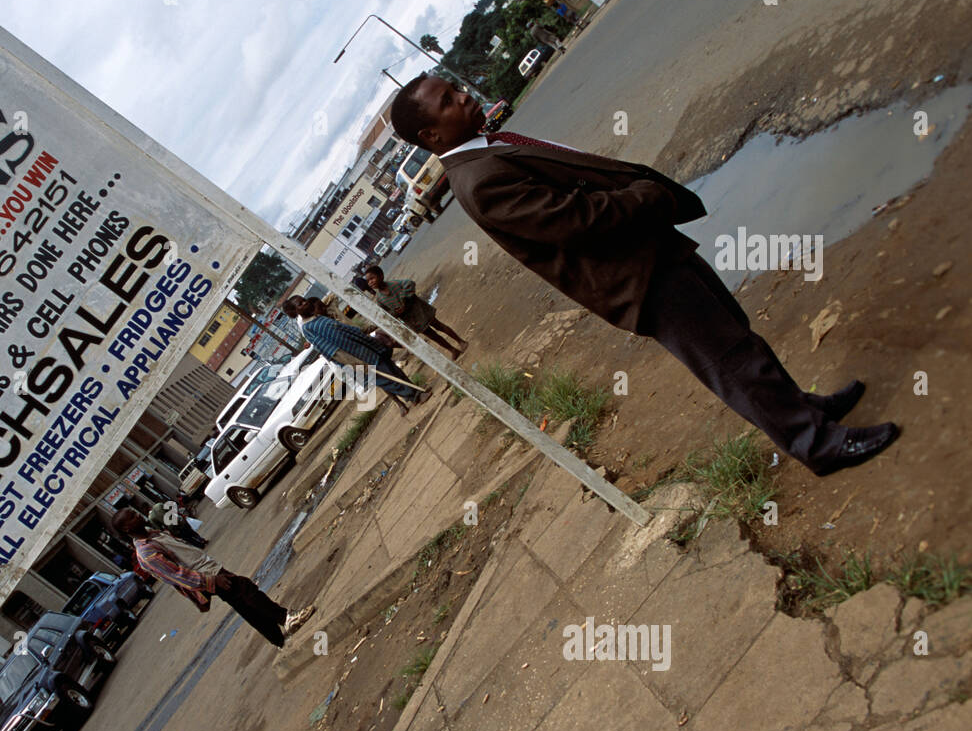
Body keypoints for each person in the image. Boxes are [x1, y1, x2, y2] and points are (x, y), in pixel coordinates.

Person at [388, 74, 899, 476]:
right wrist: (646, 196)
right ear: (431, 135)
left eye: (455, 88)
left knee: (739, 340)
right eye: (449, 100)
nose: (463, 96)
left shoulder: (485, 147)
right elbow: (577, 222)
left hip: (651, 253)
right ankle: (818, 445)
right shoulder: (479, 180)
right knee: (732, 360)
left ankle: (805, 411)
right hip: (639, 277)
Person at [112, 507, 313, 648]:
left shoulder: (152, 533)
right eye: (131, 516)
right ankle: (285, 618)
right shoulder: (146, 553)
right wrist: (210, 581)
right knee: (245, 589)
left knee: (243, 604)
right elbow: (176, 575)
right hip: (205, 576)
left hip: (208, 567)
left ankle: (278, 639)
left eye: (133, 512)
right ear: (127, 529)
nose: (136, 514)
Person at [282, 295, 430, 417]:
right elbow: (332, 351)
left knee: (393, 371)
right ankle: (415, 396)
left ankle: (416, 392)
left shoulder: (318, 317)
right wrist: (355, 364)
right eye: (300, 304)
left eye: (304, 300)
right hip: (358, 358)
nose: (305, 303)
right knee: (388, 380)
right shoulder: (309, 328)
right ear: (297, 311)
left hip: (367, 347)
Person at [363, 263, 468, 360]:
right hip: (412, 320)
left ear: (381, 275)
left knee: (439, 326)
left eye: (372, 278)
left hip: (420, 311)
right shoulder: (380, 299)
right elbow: (386, 314)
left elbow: (410, 284)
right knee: (433, 336)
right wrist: (396, 313)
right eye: (368, 281)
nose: (370, 282)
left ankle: (461, 342)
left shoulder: (394, 284)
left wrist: (404, 299)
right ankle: (453, 350)